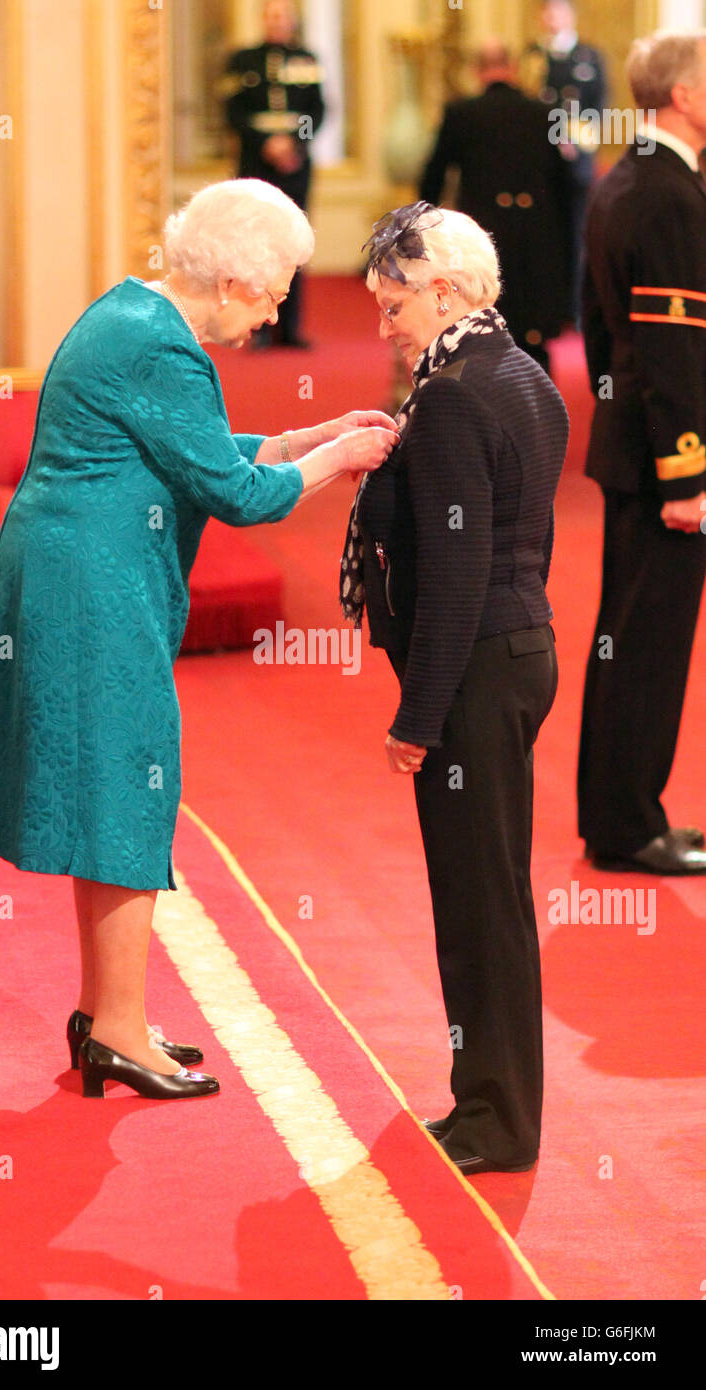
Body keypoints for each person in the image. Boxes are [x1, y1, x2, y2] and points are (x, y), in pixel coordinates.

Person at [0, 179, 399, 1101]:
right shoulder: (162, 346)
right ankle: (118, 1031)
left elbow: (193, 450)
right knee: (127, 788)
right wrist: (341, 459)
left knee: (107, 791)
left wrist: (304, 435)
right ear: (236, 277)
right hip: (91, 587)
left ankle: (105, 1016)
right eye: (278, 286)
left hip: (77, 572)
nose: (281, 306)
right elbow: (238, 497)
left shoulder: (132, 315)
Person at [341, 204, 568, 1174]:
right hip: (523, 652)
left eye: (393, 305)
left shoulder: (449, 399)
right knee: (492, 898)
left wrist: (417, 717)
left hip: (477, 669)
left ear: (443, 291)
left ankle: (496, 1120)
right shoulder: (521, 373)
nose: (384, 325)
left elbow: (457, 574)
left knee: (479, 908)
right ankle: (491, 1103)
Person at [577, 31, 706, 874]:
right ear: (685, 96)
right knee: (647, 644)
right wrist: (686, 471)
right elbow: (671, 349)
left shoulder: (629, 179)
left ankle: (624, 813)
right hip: (666, 462)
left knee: (628, 637)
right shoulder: (668, 195)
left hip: (632, 444)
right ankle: (628, 827)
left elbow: (598, 336)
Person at [419, 38, 573, 373]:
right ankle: (539, 405)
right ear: (513, 68)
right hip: (535, 234)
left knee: (483, 323)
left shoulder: (461, 112)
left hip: (481, 235)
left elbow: (434, 175)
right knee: (532, 335)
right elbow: (564, 183)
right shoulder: (544, 114)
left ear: (477, 71)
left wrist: (427, 234)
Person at [222, 0, 324, 348]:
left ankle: (289, 328)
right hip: (256, 165)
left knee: (293, 245)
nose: (277, 22)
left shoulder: (307, 60)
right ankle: (258, 327)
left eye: (283, 16)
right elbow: (233, 113)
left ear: (292, 21)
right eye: (271, 15)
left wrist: (295, 145)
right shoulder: (242, 61)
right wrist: (266, 144)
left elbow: (317, 111)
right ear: (263, 20)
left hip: (295, 168)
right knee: (256, 246)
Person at [521, 0, 608, 317]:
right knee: (544, 232)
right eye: (548, 11)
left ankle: (576, 308)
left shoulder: (589, 56)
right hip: (541, 157)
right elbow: (530, 104)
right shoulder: (534, 55)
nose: (553, 17)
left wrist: (575, 141)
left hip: (576, 160)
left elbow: (598, 108)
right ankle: (547, 306)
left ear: (571, 15)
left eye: (559, 10)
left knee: (576, 233)